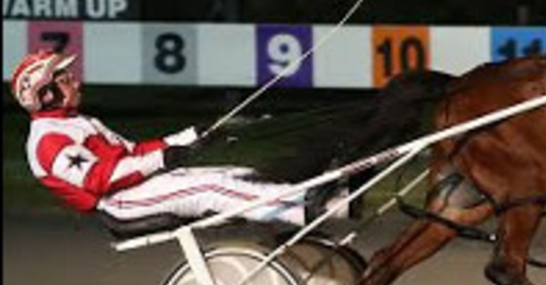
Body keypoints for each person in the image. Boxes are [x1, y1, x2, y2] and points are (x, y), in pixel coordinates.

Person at [10, 49, 350, 232]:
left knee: (237, 173)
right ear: (47, 93)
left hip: (135, 189)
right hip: (120, 203)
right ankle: (305, 206)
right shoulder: (47, 140)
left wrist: (189, 136)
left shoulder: (78, 122)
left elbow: (134, 153)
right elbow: (100, 180)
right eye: (66, 79)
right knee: (213, 186)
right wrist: (164, 159)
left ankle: (340, 203)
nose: (76, 82)